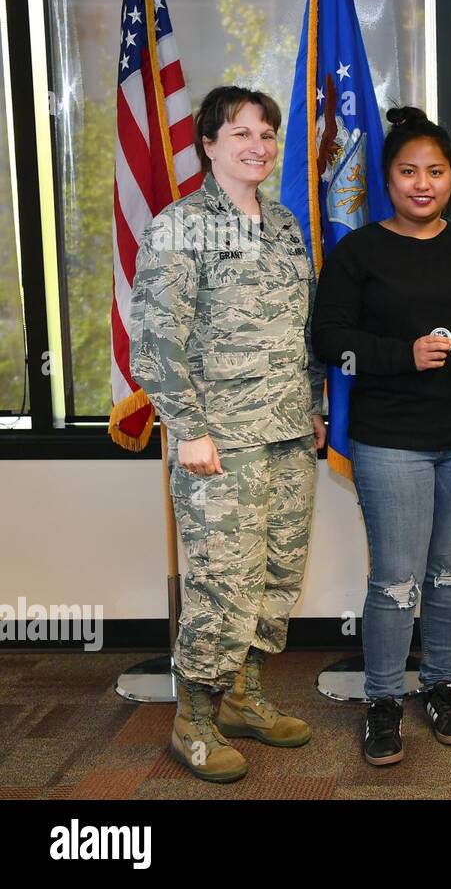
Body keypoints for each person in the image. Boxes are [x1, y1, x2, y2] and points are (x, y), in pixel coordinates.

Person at [131, 86, 326, 783]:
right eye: (240, 132)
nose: (258, 145)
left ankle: (243, 697)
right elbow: (154, 339)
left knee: (276, 575)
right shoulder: (180, 225)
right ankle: (195, 722)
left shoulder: (284, 224)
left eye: (267, 134)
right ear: (208, 143)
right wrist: (187, 430)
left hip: (285, 435)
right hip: (219, 444)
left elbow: (299, 332)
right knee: (221, 585)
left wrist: (312, 405)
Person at [312, 107, 451, 766]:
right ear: (387, 179)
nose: (422, 183)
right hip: (390, 440)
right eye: (407, 172)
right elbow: (329, 341)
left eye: (435, 170)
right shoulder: (359, 252)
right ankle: (383, 700)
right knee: (396, 580)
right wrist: (405, 353)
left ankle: (442, 686)